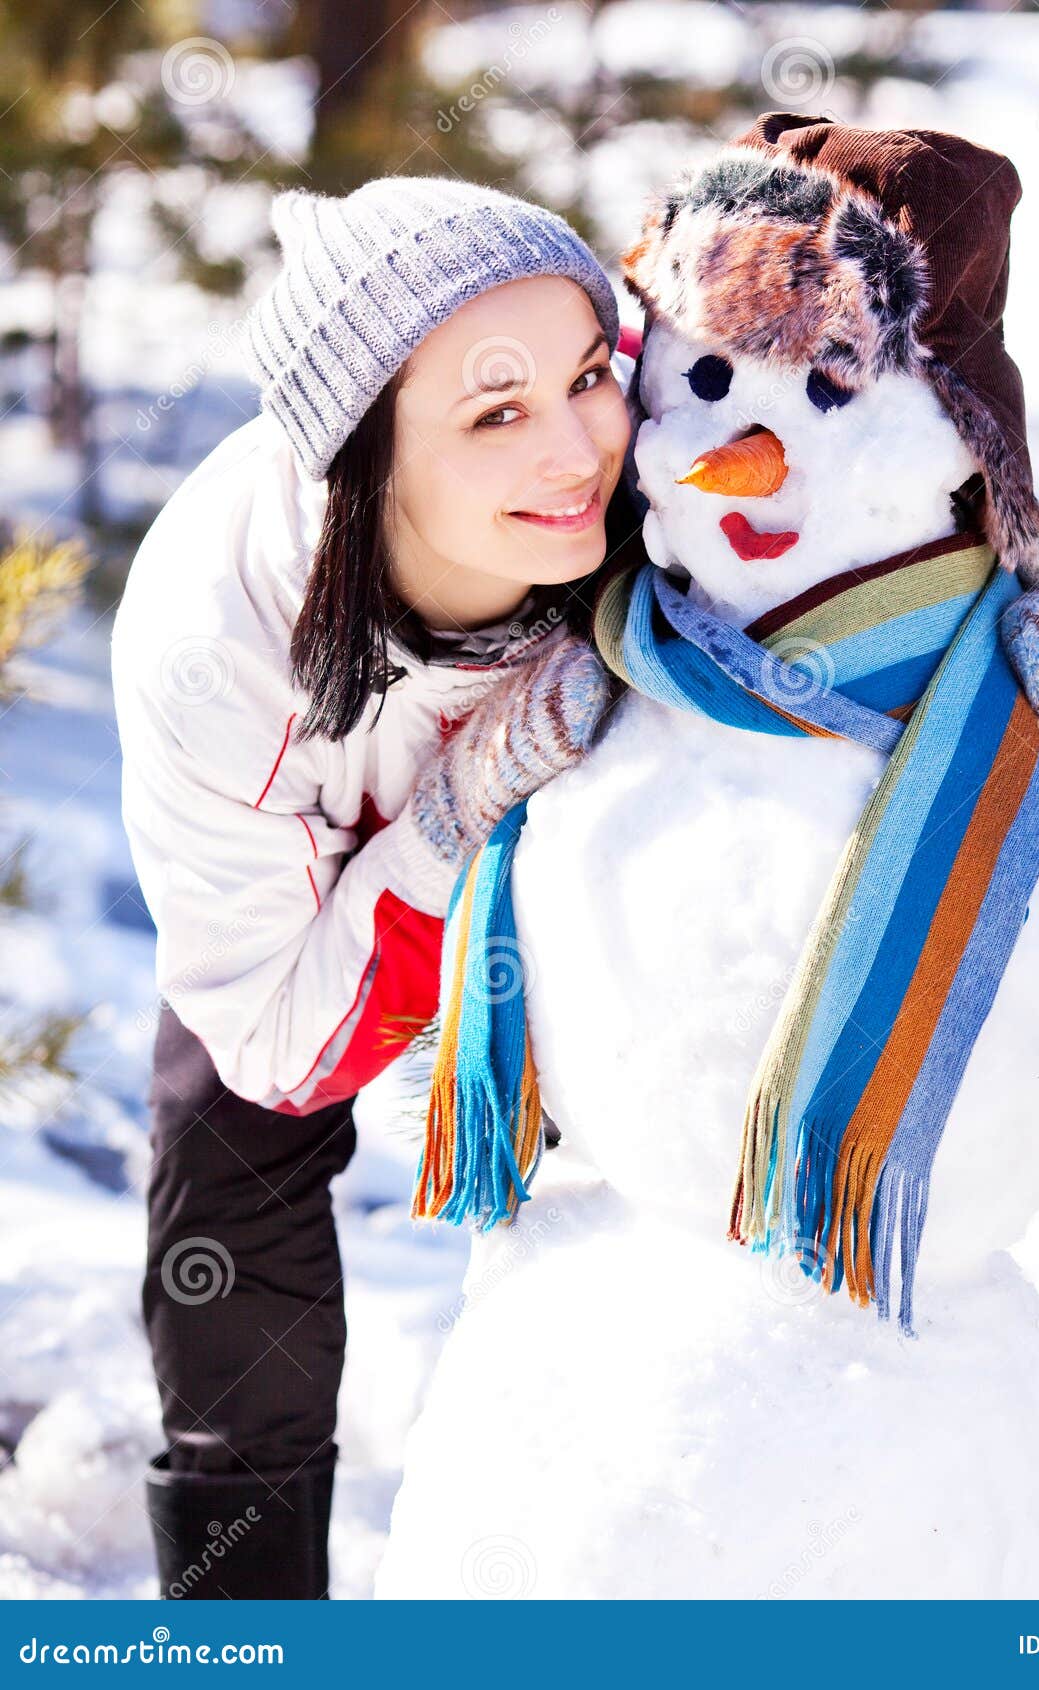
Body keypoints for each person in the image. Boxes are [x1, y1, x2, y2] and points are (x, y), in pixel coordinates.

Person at [109, 175, 639, 1598]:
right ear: (366, 463)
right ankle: (246, 1605)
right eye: (493, 413)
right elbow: (280, 1042)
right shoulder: (210, 648)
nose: (582, 444)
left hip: (563, 834)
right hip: (322, 882)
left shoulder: (628, 468)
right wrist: (456, 812)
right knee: (223, 1165)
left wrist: (1013, 580)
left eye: (589, 374)